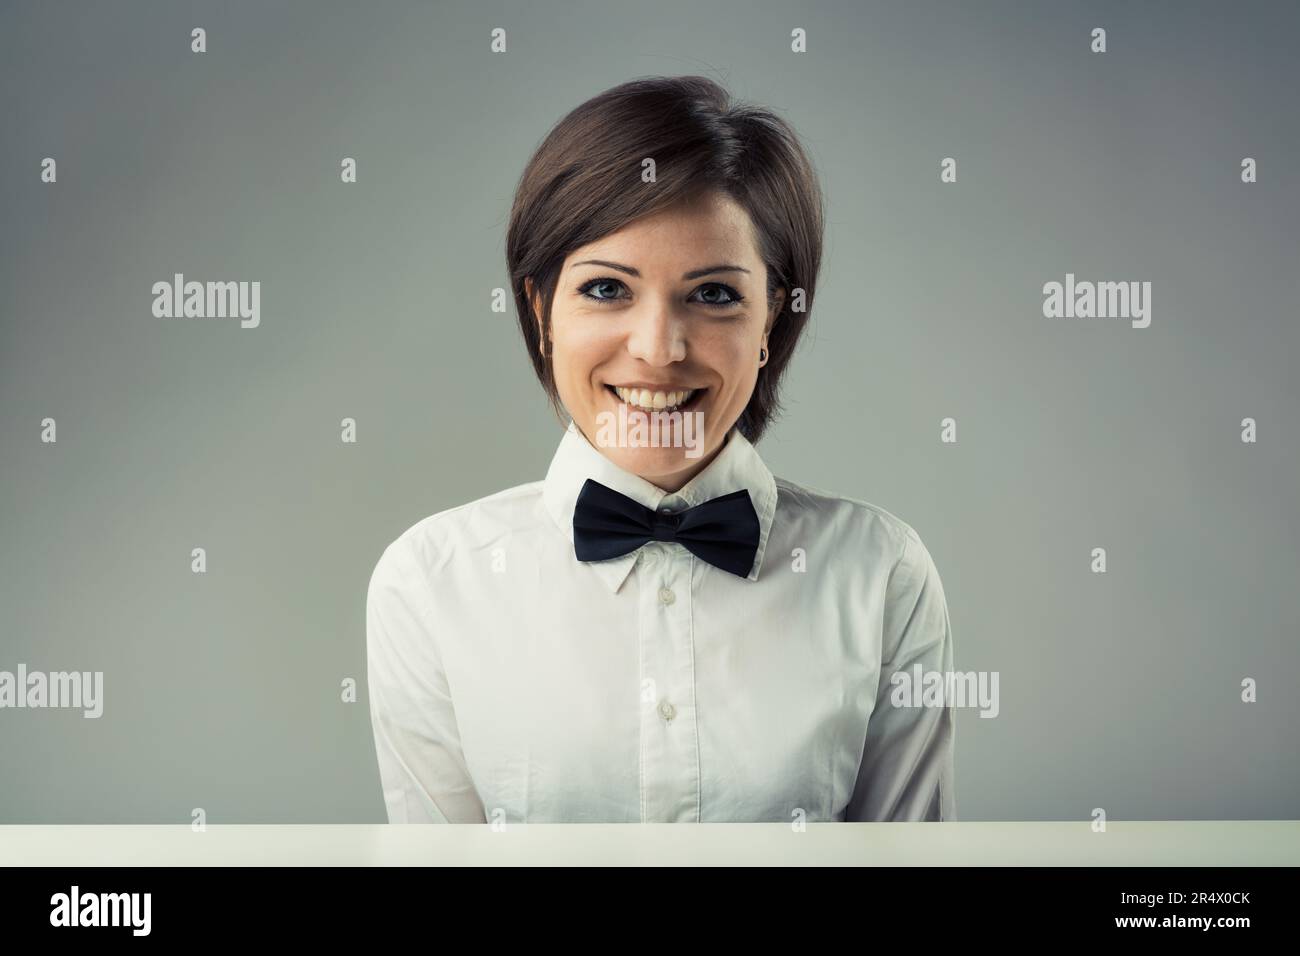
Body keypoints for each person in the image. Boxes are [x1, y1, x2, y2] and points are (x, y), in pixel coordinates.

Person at [366, 75, 956, 823]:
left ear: (773, 317)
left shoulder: (883, 574)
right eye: (608, 290)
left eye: (713, 294)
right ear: (541, 310)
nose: (659, 350)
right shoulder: (427, 583)